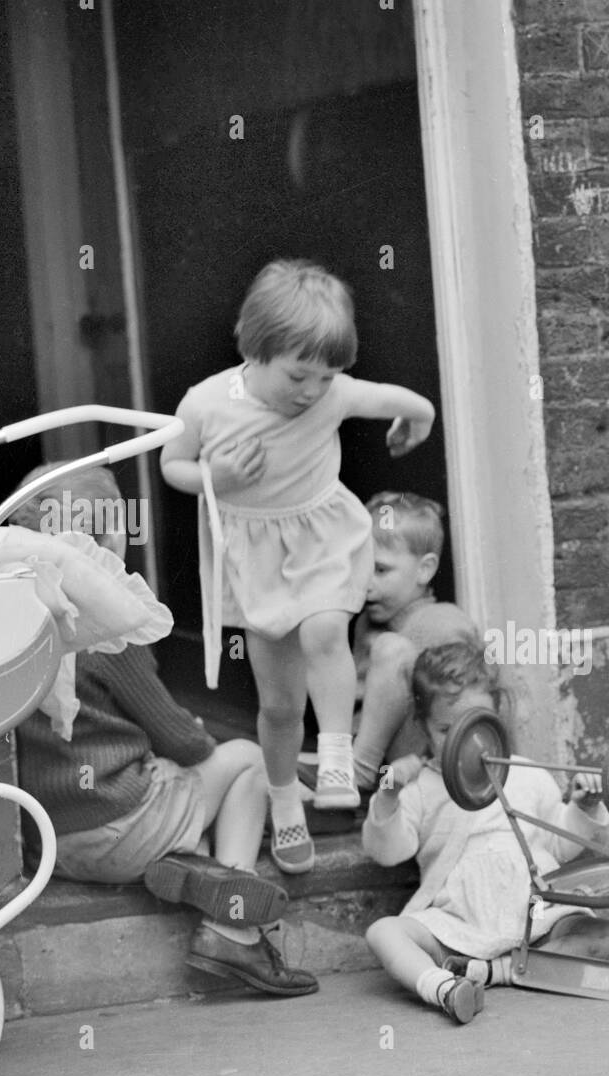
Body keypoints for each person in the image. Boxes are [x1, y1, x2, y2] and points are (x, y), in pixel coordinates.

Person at [160, 259, 437, 876]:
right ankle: (285, 802)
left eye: (327, 376)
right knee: (280, 704)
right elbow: (171, 465)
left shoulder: (333, 394)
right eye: (299, 375)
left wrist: (419, 419)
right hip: (256, 559)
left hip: (322, 538)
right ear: (254, 349)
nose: (313, 391)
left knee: (323, 631)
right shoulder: (207, 403)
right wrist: (216, 476)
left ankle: (337, 753)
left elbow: (401, 398)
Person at [12, 464, 318, 998]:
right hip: (119, 825)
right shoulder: (105, 627)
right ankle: (233, 928)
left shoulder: (7, 619)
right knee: (248, 760)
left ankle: (191, 856)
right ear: (105, 542)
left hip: (49, 842)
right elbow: (179, 740)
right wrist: (201, 737)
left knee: (187, 783)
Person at [362, 642, 609, 1024]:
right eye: (447, 729)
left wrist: (584, 806)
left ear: (496, 718)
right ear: (423, 728)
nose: (464, 741)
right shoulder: (423, 785)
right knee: (384, 932)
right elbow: (389, 851)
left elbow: (560, 847)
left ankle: (494, 972)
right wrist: (388, 797)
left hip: (535, 915)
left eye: (476, 725)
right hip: (458, 920)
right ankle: (442, 987)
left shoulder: (527, 773)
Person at [346, 491, 478, 792]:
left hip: (423, 767)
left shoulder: (443, 622)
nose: (366, 582)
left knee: (392, 650)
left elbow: (462, 707)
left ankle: (358, 772)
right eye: (360, 567)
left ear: (425, 569)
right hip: (381, 762)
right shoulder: (368, 621)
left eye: (380, 569)